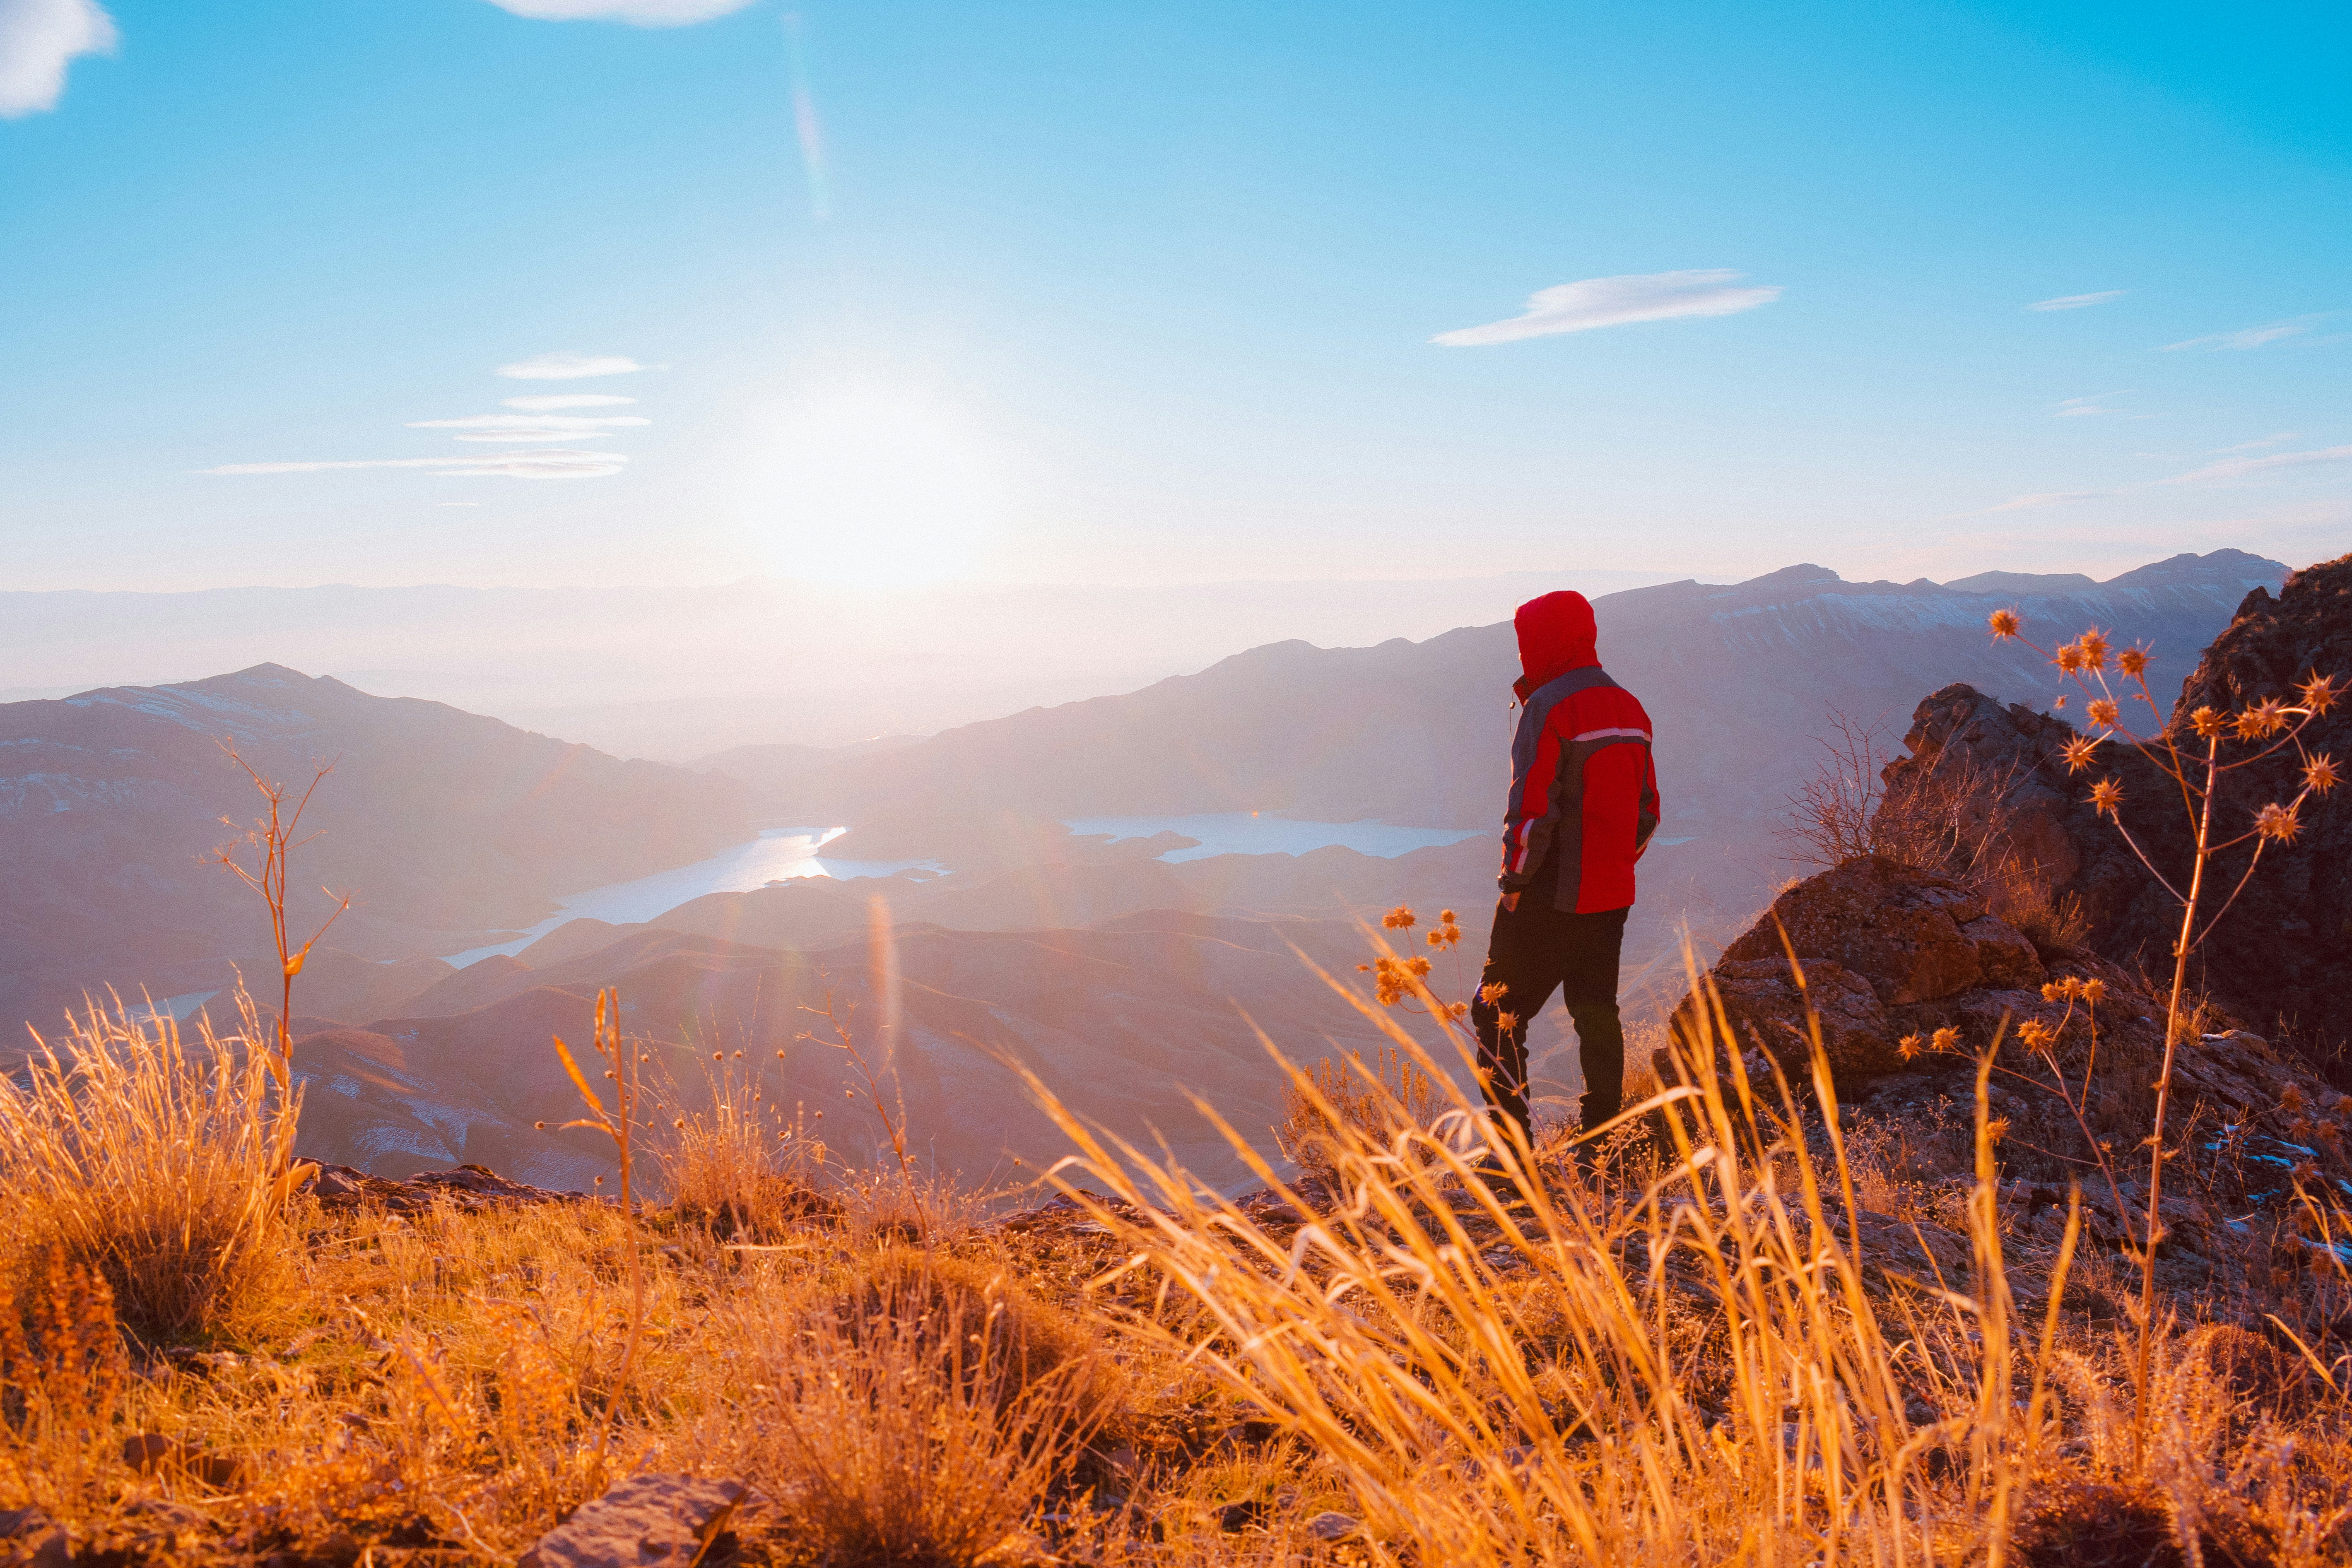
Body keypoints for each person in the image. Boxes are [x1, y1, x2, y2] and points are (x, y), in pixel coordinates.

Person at [1469, 590, 1659, 1161]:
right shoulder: (1631, 708)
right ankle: (1604, 1142)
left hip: (1549, 893)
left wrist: (1513, 884)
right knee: (1596, 1009)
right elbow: (1648, 811)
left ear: (1542, 641)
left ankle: (1510, 1160)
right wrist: (1614, 867)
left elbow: (1532, 809)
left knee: (1495, 1014)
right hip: (1612, 893)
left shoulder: (1549, 706)